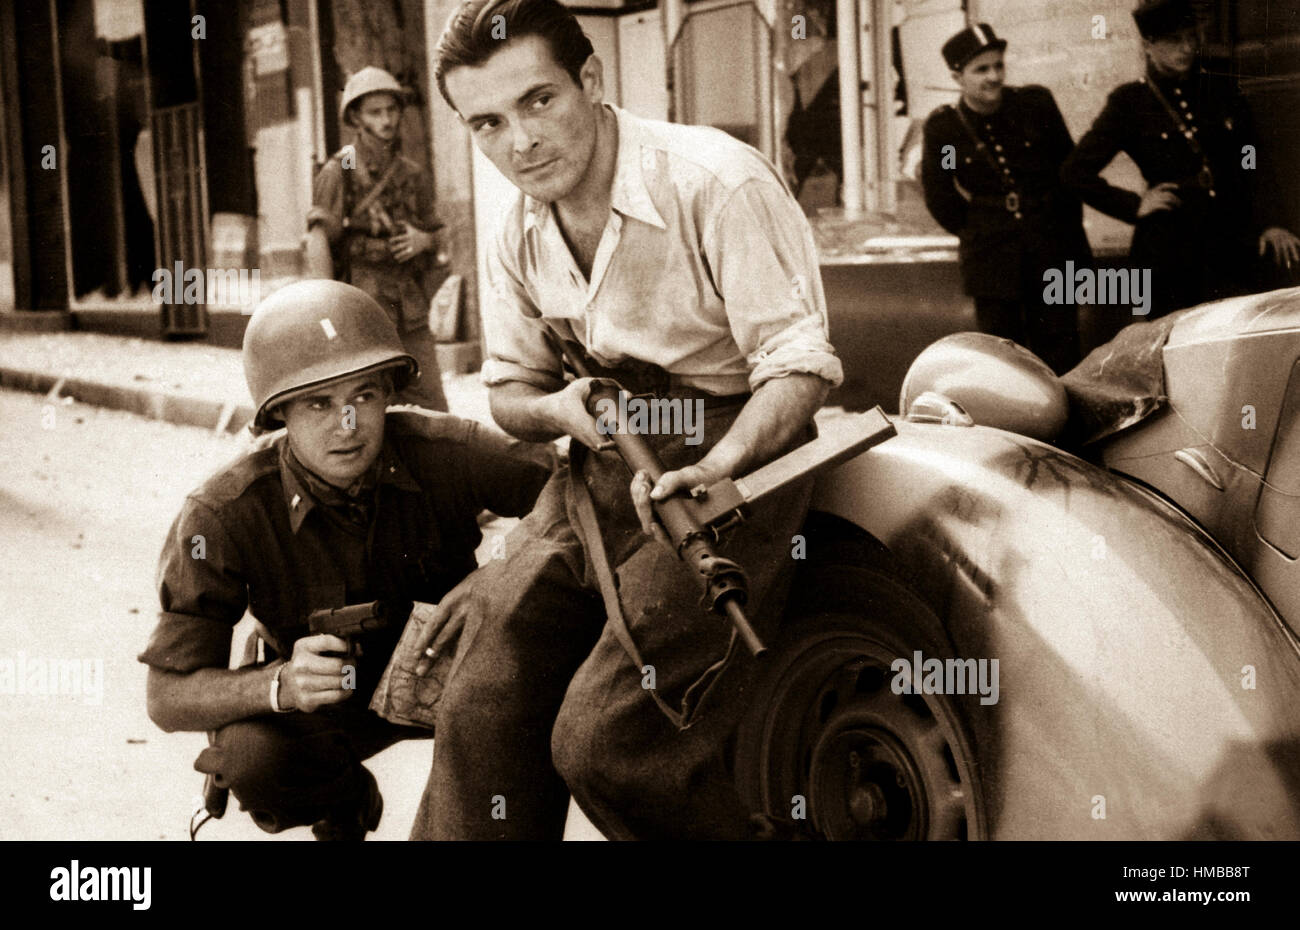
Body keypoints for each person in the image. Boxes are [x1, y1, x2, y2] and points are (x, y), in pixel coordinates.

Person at [409, 0, 843, 840]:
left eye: (538, 101)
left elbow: (799, 370)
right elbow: (509, 392)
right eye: (488, 123)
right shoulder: (515, 230)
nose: (521, 142)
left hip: (737, 457)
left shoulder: (715, 182)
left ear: (593, 80)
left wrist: (723, 469)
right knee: (481, 702)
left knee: (609, 739)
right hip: (604, 460)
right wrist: (555, 411)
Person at [138, 280, 551, 840]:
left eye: (364, 395)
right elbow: (166, 697)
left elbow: (574, 487)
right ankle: (347, 802)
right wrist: (281, 684)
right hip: (329, 703)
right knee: (249, 757)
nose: (348, 424)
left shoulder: (448, 451)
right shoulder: (224, 513)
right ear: (279, 413)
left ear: (389, 392)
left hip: (462, 682)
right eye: (318, 403)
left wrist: (500, 576)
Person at [1061, 0, 1300, 318]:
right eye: (1174, 41)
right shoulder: (1129, 103)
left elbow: (1252, 159)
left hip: (1230, 242)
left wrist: (1271, 222)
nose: (1187, 48)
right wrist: (1135, 206)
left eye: (1191, 37)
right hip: (1170, 251)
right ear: (1148, 45)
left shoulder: (1220, 90)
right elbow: (1075, 172)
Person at [920, 24, 1090, 374]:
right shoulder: (947, 131)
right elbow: (941, 194)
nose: (994, 76)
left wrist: (1071, 245)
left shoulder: (1035, 105)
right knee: (1004, 358)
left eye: (998, 65)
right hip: (992, 260)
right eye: (981, 69)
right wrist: (980, 228)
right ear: (957, 76)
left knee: (1061, 349)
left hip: (1051, 249)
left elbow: (1068, 174)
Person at [305, 66, 450, 411]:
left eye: (391, 110)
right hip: (362, 306)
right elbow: (319, 236)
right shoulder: (340, 169)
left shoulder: (412, 173)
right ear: (356, 117)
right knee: (369, 405)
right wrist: (327, 310)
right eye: (375, 112)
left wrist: (424, 241)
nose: (386, 119)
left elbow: (441, 238)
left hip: (409, 308)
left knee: (431, 407)